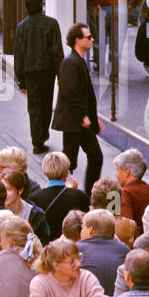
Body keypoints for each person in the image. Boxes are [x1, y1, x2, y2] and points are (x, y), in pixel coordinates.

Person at [52, 23, 103, 195]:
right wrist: (84, 117)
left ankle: (82, 193)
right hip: (74, 121)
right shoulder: (70, 62)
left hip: (78, 121)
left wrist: (93, 119)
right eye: (88, 37)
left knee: (75, 159)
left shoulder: (77, 61)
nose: (92, 39)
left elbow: (83, 95)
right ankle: (70, 193)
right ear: (77, 40)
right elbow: (69, 93)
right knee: (73, 160)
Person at [13, 0, 63, 153]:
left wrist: (20, 79)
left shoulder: (21, 27)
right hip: (47, 70)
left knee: (33, 106)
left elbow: (18, 56)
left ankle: (37, 139)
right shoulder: (51, 24)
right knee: (46, 103)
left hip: (30, 71)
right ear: (41, 5)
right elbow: (57, 51)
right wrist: (60, 74)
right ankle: (42, 135)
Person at [26, 238, 104, 297]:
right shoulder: (40, 283)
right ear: (56, 266)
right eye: (71, 261)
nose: (79, 264)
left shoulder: (86, 277)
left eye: (78, 257)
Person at [28, 152, 91, 242]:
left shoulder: (34, 198)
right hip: (73, 245)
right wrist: (74, 191)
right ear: (65, 173)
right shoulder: (79, 196)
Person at [77, 208, 128, 294]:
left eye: (82, 228)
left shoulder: (76, 249)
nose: (81, 231)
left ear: (91, 230)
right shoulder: (123, 249)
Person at [111, 148, 149, 232]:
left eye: (118, 170)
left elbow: (120, 229)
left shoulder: (117, 195)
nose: (116, 174)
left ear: (127, 172)